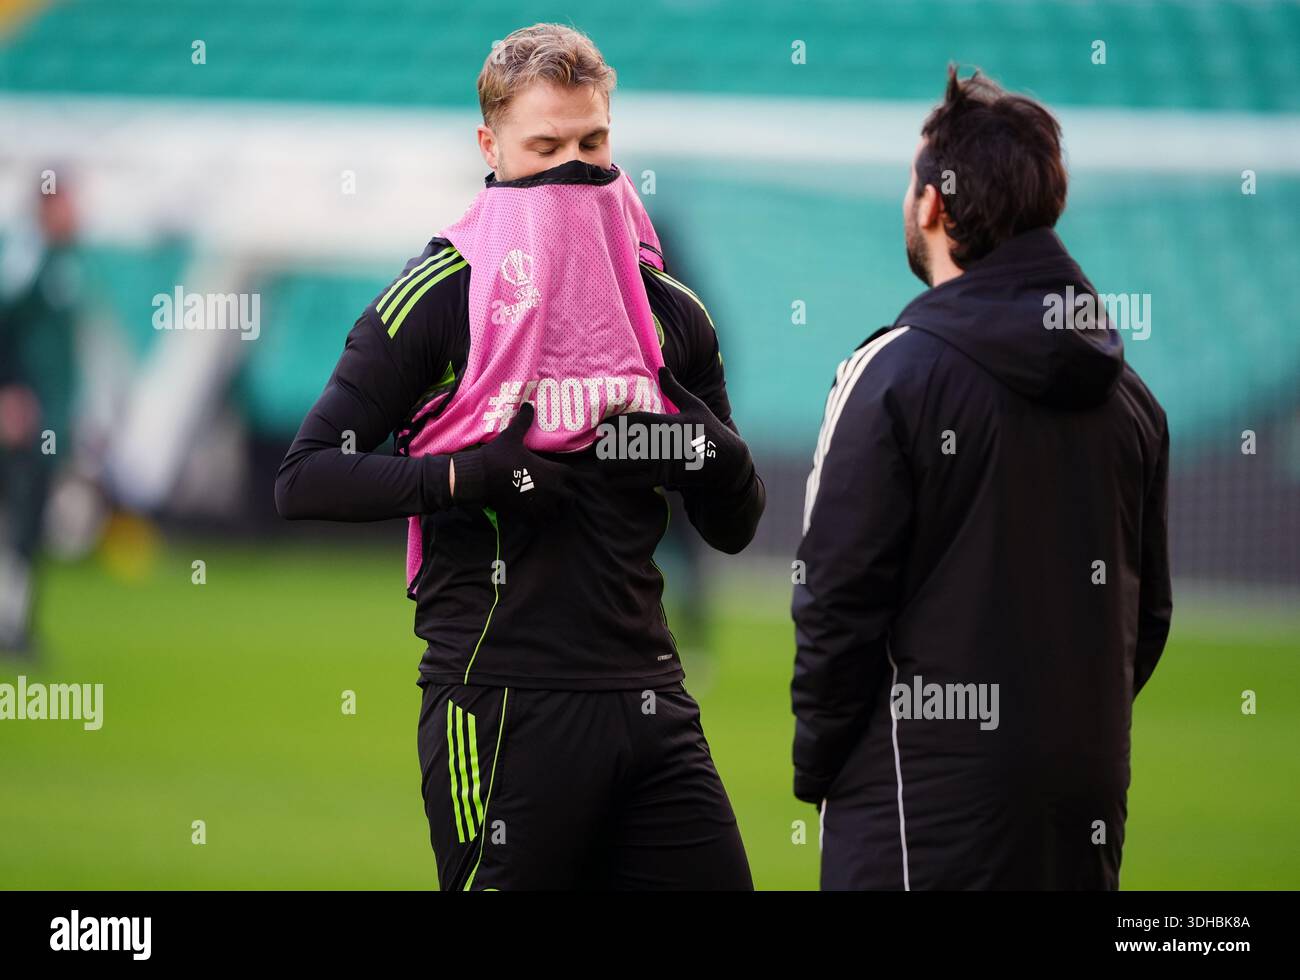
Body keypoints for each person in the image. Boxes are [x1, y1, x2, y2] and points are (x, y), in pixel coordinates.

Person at [276, 23, 764, 890]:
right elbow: (305, 475)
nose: (574, 169)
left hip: (652, 699)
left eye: (593, 143)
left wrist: (709, 455)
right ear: (490, 146)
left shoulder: (667, 309)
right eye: (545, 147)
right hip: (500, 700)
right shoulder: (441, 292)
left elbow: (734, 524)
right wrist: (469, 476)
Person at [791, 67, 1171, 890]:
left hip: (918, 803)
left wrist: (821, 770)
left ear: (933, 204)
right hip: (1082, 802)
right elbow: (1146, 619)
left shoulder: (891, 375)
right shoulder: (1131, 398)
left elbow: (835, 600)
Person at [0, 177, 81, 659]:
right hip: (24, 417)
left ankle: (18, 624)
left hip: (51, 416)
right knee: (18, 520)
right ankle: (12, 627)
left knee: (31, 523)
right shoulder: (23, 259)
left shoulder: (63, 260)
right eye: (69, 202)